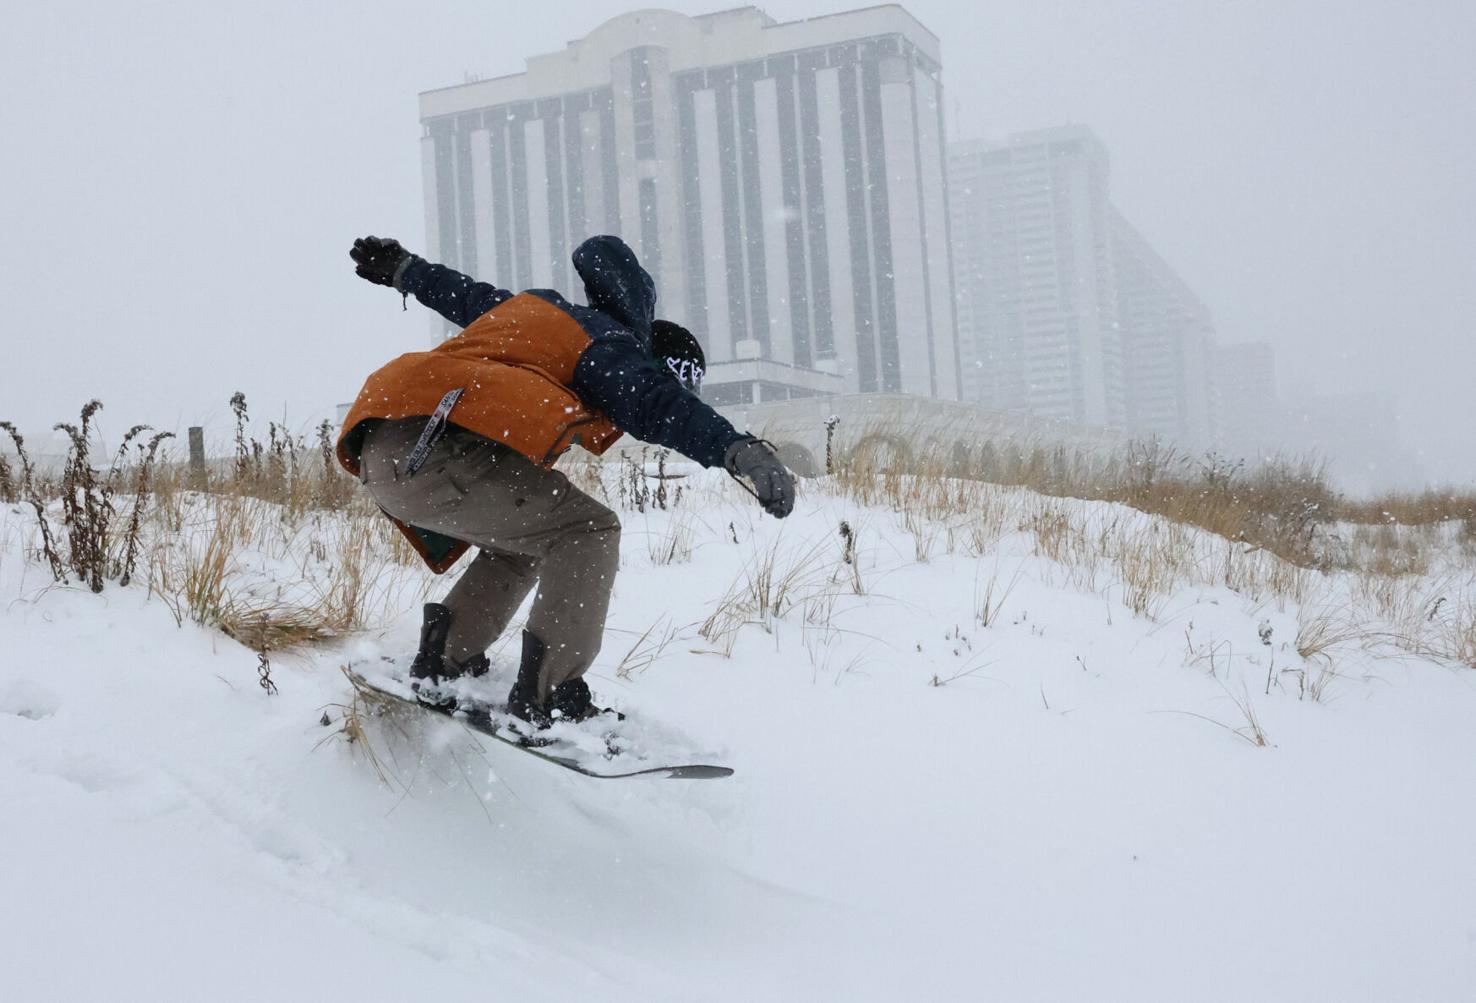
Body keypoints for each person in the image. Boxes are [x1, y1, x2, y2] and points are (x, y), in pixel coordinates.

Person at [336, 233, 795, 726]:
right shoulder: (611, 348)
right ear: (658, 361)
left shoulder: (544, 318)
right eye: (674, 379)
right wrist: (737, 447)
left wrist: (404, 269)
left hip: (382, 441)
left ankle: (443, 658)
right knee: (588, 532)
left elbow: (463, 293)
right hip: (436, 446)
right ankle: (551, 694)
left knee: (523, 543)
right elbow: (660, 406)